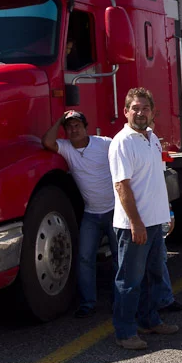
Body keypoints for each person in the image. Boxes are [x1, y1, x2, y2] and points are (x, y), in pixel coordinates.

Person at [110, 88, 179, 351]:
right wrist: (135, 223)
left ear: (152, 112)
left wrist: (167, 212)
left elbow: (156, 181)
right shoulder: (122, 142)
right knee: (129, 282)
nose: (140, 113)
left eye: (145, 108)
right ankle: (125, 332)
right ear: (126, 111)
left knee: (152, 277)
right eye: (134, 108)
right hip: (134, 226)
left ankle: (150, 320)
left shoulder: (151, 138)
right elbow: (122, 186)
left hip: (155, 221)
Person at [41, 110, 117, 319]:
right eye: (70, 127)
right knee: (84, 258)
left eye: (77, 126)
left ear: (86, 128)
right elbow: (47, 141)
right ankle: (88, 303)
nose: (74, 130)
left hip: (114, 211)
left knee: (120, 258)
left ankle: (119, 301)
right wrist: (59, 118)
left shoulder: (104, 143)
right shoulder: (65, 148)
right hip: (91, 214)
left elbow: (125, 157)